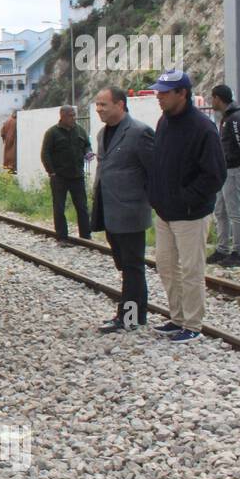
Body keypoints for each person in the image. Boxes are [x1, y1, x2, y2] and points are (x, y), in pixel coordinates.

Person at [147, 69, 227, 341]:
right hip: (165, 212)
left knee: (191, 270)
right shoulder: (164, 122)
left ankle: (192, 325)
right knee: (166, 266)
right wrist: (155, 195)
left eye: (165, 92)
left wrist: (186, 199)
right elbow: (159, 161)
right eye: (158, 92)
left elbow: (214, 174)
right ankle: (177, 317)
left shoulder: (203, 128)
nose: (159, 97)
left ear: (182, 93)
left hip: (191, 214)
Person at [91, 87, 155, 333]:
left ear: (120, 105)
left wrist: (147, 203)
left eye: (103, 104)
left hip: (130, 213)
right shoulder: (101, 134)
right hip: (109, 212)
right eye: (97, 105)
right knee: (124, 266)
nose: (99, 109)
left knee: (132, 267)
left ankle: (130, 317)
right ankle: (133, 313)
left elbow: (152, 171)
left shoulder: (139, 133)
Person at [208, 84, 240, 268]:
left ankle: (238, 252)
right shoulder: (229, 117)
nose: (211, 102)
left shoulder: (235, 119)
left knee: (235, 212)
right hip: (225, 170)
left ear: (218, 98)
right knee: (220, 210)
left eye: (212, 98)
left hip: (234, 170)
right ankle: (222, 249)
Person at [40, 105, 92, 241]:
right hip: (59, 177)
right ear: (62, 116)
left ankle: (86, 236)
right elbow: (45, 153)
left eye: (74, 115)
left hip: (77, 175)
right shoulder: (52, 133)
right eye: (71, 115)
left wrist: (88, 153)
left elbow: (87, 145)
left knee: (82, 206)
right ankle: (62, 236)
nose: (74, 118)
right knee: (59, 207)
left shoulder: (80, 130)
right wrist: (51, 172)